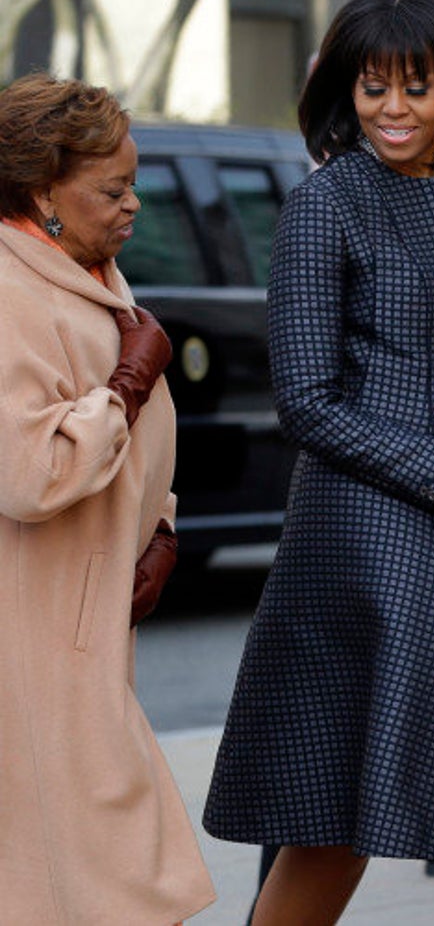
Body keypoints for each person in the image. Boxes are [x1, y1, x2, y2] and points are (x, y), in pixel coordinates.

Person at [203, 0, 434, 925]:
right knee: (343, 821)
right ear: (348, 91)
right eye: (374, 88)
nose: (394, 110)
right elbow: (308, 404)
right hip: (363, 543)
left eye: (417, 87)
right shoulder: (324, 204)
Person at [0, 73, 215, 925]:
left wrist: (160, 533)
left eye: (134, 185)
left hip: (79, 628)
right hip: (35, 635)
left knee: (86, 874)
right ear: (43, 192)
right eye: (112, 190)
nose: (133, 205)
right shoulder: (11, 291)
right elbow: (29, 473)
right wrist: (125, 385)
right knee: (110, 875)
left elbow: (138, 458)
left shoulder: (85, 271)